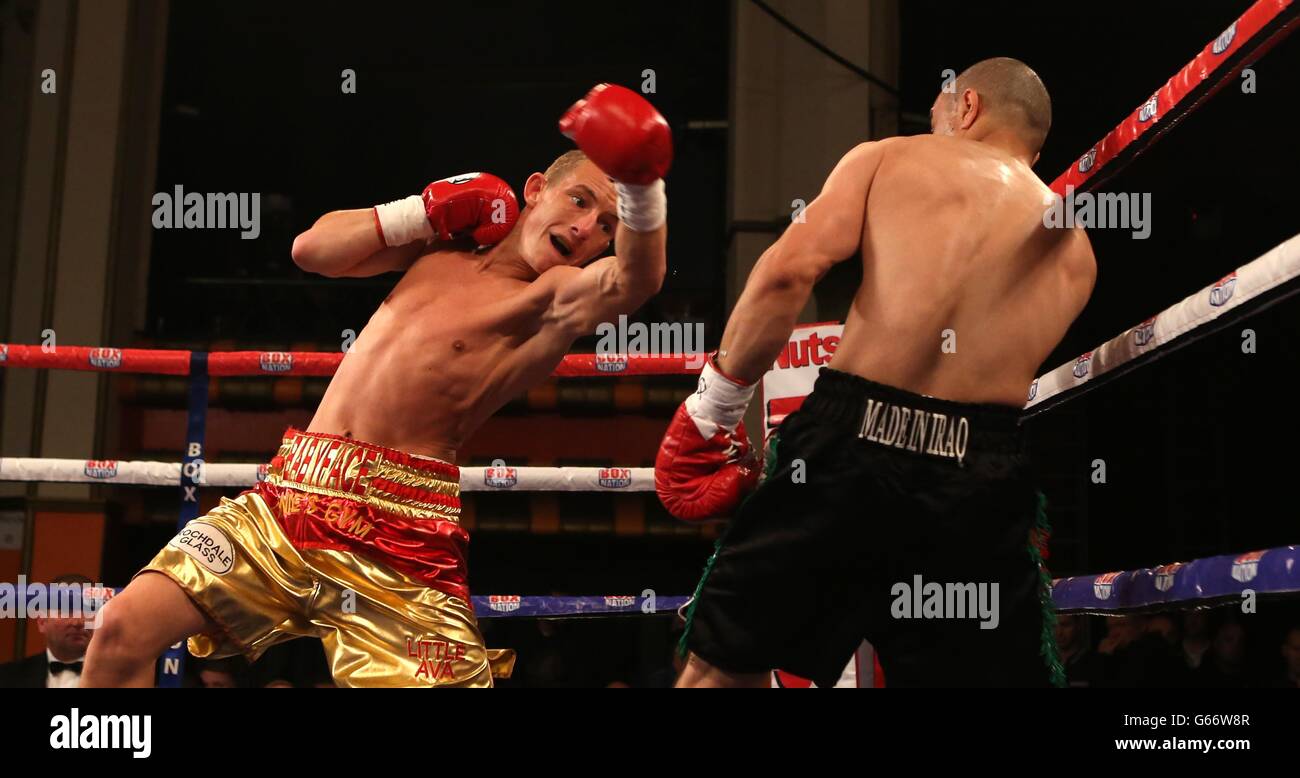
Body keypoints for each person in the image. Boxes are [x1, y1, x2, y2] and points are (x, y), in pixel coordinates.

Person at [83, 83, 671, 688]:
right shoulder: (444, 249)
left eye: (606, 225)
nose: (584, 228)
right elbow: (312, 250)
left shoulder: (549, 302)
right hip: (288, 498)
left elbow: (635, 280)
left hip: (400, 529)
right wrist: (423, 208)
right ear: (534, 190)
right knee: (121, 631)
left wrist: (642, 184)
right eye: (578, 201)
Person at [657, 57, 1096, 687]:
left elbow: (789, 271)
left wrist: (716, 403)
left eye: (940, 108)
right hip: (980, 473)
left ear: (966, 106)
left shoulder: (891, 158)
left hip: (853, 441)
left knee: (724, 669)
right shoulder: (1076, 249)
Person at [0, 574, 96, 688]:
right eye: (66, 610)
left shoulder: (120, 676)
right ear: (42, 622)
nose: (78, 622)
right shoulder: (6, 678)